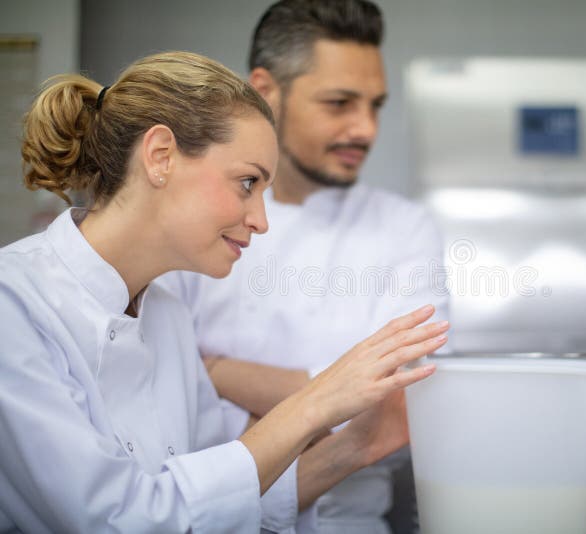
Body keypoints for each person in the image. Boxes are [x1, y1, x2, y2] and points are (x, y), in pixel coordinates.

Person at [0, 51, 448, 533]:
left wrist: (356, 445)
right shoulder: (15, 304)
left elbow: (228, 487)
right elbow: (122, 520)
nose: (261, 220)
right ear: (160, 157)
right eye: (247, 183)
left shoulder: (165, 313)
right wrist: (314, 401)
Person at [158, 1, 449, 532]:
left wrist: (214, 372)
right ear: (266, 91)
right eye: (339, 103)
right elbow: (161, 408)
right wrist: (336, 397)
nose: (365, 128)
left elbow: (405, 404)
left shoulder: (404, 228)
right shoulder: (190, 223)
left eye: (376, 105)